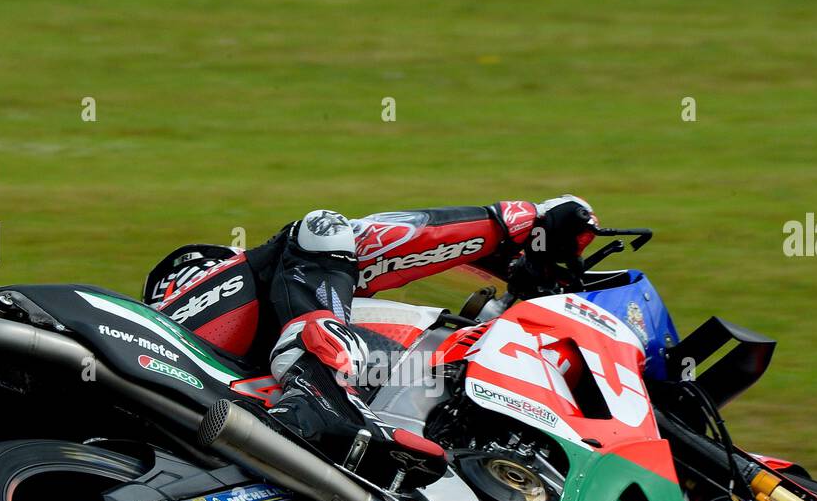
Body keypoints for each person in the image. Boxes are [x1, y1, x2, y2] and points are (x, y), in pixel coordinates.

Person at [149, 195, 598, 481]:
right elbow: (366, 242)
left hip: (216, 426)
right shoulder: (224, 282)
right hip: (194, 371)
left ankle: (325, 403)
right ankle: (319, 393)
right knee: (321, 229)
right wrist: (509, 224)